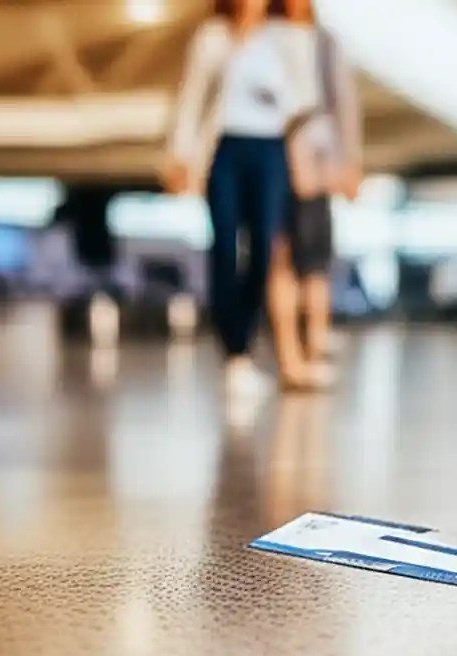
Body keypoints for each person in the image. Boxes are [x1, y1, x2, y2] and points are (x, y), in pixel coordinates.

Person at [164, 0, 328, 395]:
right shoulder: (213, 38)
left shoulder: (287, 38)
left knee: (262, 252)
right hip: (225, 150)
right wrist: (179, 155)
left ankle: (247, 338)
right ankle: (233, 350)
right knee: (223, 245)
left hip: (269, 150)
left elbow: (306, 100)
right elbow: (191, 99)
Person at [268, 0, 363, 386]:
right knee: (280, 259)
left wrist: (349, 163)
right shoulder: (264, 38)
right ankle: (290, 355)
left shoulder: (323, 42)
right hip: (274, 157)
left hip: (314, 162)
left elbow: (343, 104)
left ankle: (314, 345)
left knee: (314, 262)